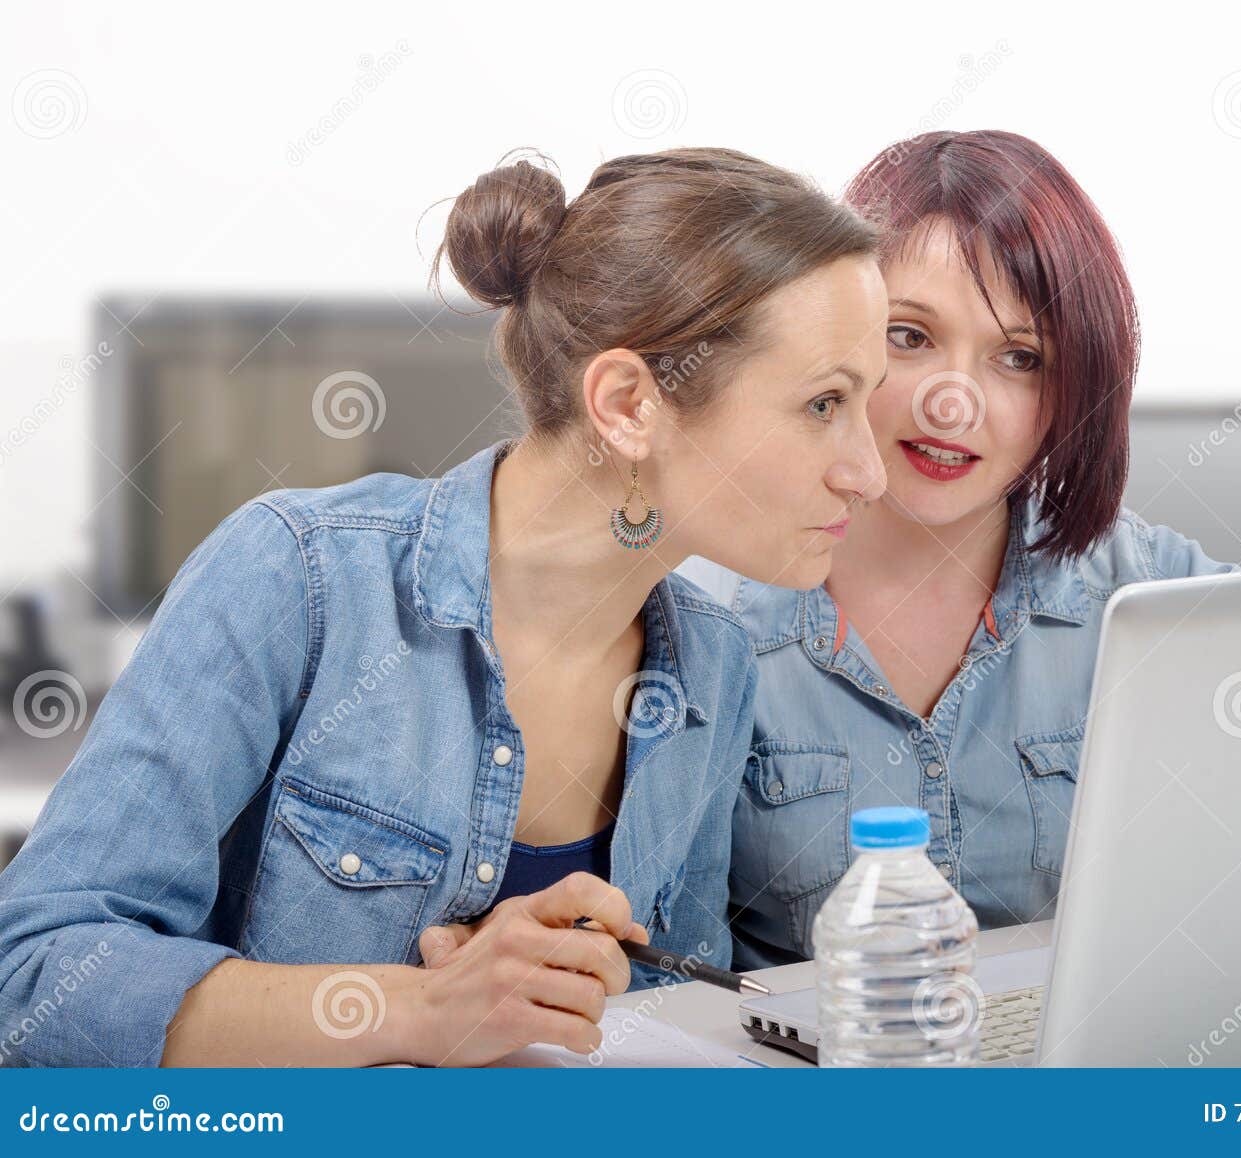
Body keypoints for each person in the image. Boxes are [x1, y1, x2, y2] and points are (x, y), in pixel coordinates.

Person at [0, 146, 887, 1066]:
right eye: (824, 403)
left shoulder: (714, 663)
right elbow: (32, 978)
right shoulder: (297, 578)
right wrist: (419, 1009)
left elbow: (659, 1026)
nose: (870, 471)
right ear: (627, 404)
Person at [679, 130, 1241, 968]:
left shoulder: (1158, 594)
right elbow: (668, 990)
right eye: (909, 337)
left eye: (1018, 358)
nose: (954, 405)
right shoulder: (699, 614)